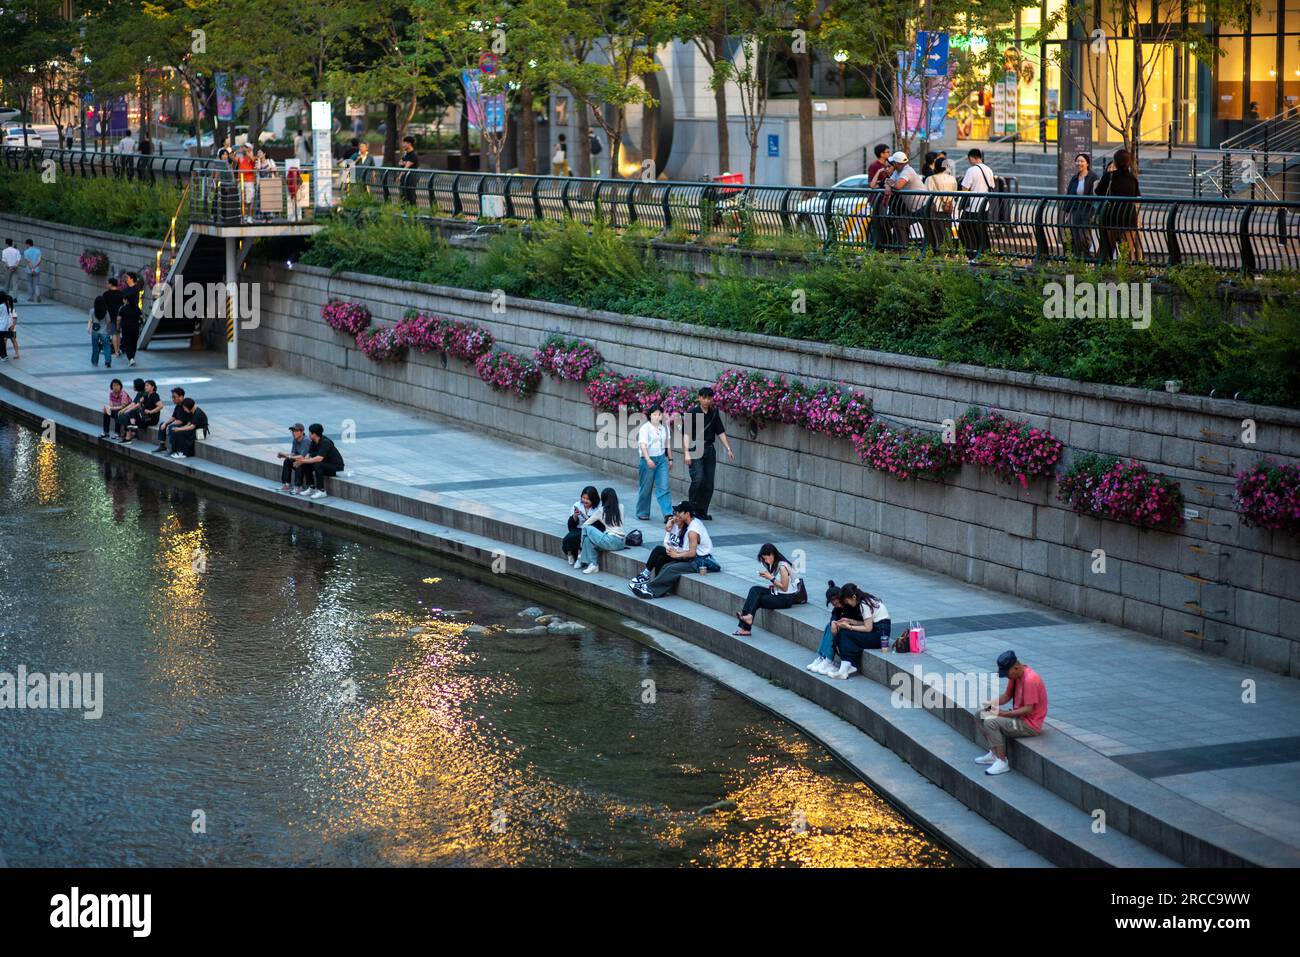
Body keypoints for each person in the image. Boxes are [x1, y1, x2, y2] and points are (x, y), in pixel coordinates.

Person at [975, 650, 1048, 776]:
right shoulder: (1016, 676)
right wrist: (990, 704)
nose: (1007, 677)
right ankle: (994, 754)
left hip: (1029, 725)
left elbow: (1028, 709)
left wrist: (1001, 713)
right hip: (1018, 718)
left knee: (991, 721)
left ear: (1016, 667)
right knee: (980, 714)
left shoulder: (1030, 680)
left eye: (1007, 673)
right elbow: (1006, 696)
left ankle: (1002, 762)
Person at [631, 502, 721, 599]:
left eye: (680, 512)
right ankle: (654, 587)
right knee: (666, 565)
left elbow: (692, 553)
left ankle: (651, 590)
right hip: (695, 558)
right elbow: (676, 519)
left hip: (700, 561)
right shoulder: (693, 521)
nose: (677, 514)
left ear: (687, 514)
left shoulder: (692, 531)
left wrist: (675, 555)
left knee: (671, 568)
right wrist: (671, 520)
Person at [682, 386, 734, 521]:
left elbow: (720, 432)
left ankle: (702, 511)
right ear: (699, 398)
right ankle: (691, 509)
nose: (706, 400)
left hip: (709, 449)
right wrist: (686, 452)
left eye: (709, 398)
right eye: (704, 397)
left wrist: (728, 448)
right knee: (698, 479)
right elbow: (686, 434)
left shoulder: (714, 414)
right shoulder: (692, 413)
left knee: (709, 483)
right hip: (695, 449)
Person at [733, 544, 808, 636]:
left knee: (757, 599)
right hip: (777, 593)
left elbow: (784, 587)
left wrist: (771, 578)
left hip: (785, 599)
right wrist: (768, 575)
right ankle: (748, 618)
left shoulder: (782, 567)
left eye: (766, 558)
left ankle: (746, 626)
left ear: (772, 554)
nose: (765, 561)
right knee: (754, 590)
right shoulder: (774, 564)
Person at [827, 583, 891, 679]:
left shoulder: (863, 604)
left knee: (845, 633)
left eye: (847, 600)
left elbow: (868, 628)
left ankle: (846, 667)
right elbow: (868, 623)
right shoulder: (866, 600)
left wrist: (849, 627)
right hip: (878, 632)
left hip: (879, 637)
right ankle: (846, 666)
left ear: (853, 597)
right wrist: (850, 621)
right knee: (843, 632)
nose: (847, 603)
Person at [1096, 148, 1142, 262]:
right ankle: (1127, 277)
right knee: (1127, 254)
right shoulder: (1133, 178)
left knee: (1106, 251)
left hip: (1111, 217)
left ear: (1115, 162)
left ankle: (1103, 275)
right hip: (1128, 218)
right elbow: (1137, 195)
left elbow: (1099, 192)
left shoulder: (1109, 176)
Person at [636, 404, 674, 522]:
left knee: (664, 486)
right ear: (650, 415)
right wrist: (648, 460)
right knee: (646, 487)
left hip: (661, 459)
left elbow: (667, 444)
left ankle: (668, 513)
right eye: (654, 414)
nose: (657, 417)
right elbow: (643, 445)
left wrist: (670, 459)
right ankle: (643, 512)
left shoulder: (664, 428)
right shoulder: (645, 428)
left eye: (659, 414)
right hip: (647, 460)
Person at [576, 487, 627, 574]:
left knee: (587, 528)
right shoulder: (621, 507)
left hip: (610, 541)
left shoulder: (601, 510)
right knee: (588, 540)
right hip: (621, 543)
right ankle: (593, 565)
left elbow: (586, 524)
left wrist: (583, 515)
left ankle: (581, 553)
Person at [807, 581, 854, 675]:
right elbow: (835, 615)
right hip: (845, 627)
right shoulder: (838, 607)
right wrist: (833, 622)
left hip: (853, 629)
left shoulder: (849, 604)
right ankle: (822, 656)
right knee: (829, 626)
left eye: (836, 601)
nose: (836, 604)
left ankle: (828, 659)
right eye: (833, 603)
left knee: (835, 627)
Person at [958, 148, 996, 262]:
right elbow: (992, 186)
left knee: (964, 230)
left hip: (972, 207)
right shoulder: (989, 169)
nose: (969, 161)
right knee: (982, 231)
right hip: (984, 206)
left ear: (972, 157)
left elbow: (965, 188)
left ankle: (972, 254)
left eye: (969, 159)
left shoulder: (971, 170)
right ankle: (985, 254)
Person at [629, 514, 687, 588]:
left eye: (678, 516)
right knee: (660, 558)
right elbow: (665, 541)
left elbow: (686, 550)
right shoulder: (672, 525)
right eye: (675, 515)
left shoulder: (688, 530)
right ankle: (655, 583)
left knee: (658, 549)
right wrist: (668, 548)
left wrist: (674, 551)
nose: (676, 518)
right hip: (670, 552)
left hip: (679, 556)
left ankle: (645, 574)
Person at [884, 151, 925, 245]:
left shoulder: (907, 171)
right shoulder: (898, 171)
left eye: (893, 163)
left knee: (930, 231)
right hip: (913, 208)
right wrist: (888, 186)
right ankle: (902, 249)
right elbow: (888, 181)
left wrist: (890, 184)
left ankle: (937, 252)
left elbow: (898, 185)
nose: (893, 164)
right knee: (900, 224)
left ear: (897, 164)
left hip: (923, 205)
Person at [1066, 153, 1100, 259]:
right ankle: (1077, 259)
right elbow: (1069, 194)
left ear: (1087, 163)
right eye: (1077, 161)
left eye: (1082, 161)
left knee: (1084, 235)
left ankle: (1086, 257)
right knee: (1075, 234)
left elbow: (1095, 194)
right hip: (1076, 209)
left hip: (1087, 210)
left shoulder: (1093, 177)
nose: (1079, 163)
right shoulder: (1075, 178)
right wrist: (1067, 212)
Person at [298, 423, 345, 499]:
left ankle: (321, 491)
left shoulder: (326, 442)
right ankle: (312, 488)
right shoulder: (314, 441)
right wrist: (302, 461)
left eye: (310, 432)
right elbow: (309, 454)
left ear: (314, 434)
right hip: (325, 464)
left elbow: (319, 458)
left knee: (317, 464)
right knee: (306, 464)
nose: (308, 434)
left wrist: (303, 460)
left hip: (336, 467)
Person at [923, 156, 959, 250]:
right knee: (947, 232)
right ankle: (948, 251)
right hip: (948, 209)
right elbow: (954, 192)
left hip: (934, 210)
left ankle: (937, 251)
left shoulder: (930, 179)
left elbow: (926, 195)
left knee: (935, 233)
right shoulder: (952, 179)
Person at [562, 485, 601, 565]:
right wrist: (575, 516)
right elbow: (571, 526)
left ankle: (580, 557)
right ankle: (570, 554)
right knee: (568, 537)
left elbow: (598, 524)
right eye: (583, 498)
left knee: (580, 536)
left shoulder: (598, 508)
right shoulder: (577, 505)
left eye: (588, 499)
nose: (585, 501)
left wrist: (586, 518)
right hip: (578, 528)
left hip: (591, 529)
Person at [116, 378, 160, 443]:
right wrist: (124, 409)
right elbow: (134, 403)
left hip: (148, 419)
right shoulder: (142, 394)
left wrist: (128, 410)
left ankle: (129, 437)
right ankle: (131, 433)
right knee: (124, 414)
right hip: (144, 417)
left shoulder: (151, 395)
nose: (146, 387)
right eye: (145, 386)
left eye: (147, 386)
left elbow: (138, 405)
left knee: (127, 415)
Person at [154, 386, 187, 452]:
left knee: (171, 427)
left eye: (174, 397)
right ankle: (162, 445)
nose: (173, 399)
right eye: (172, 397)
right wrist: (166, 423)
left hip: (186, 425)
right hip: (179, 423)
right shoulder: (178, 405)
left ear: (181, 397)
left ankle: (173, 449)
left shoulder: (185, 405)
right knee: (162, 424)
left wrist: (169, 425)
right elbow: (174, 417)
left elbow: (181, 421)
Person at [117, 285, 142, 367]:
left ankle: (130, 358)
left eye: (124, 299)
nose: (123, 300)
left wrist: (118, 327)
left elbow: (119, 319)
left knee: (127, 343)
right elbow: (140, 317)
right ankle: (132, 357)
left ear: (127, 300)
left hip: (126, 328)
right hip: (135, 328)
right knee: (133, 343)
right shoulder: (137, 309)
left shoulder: (123, 309)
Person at [88, 294, 113, 367]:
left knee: (95, 347)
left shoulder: (92, 311)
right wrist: (108, 329)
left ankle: (95, 361)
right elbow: (108, 322)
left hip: (95, 331)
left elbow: (90, 320)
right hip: (104, 332)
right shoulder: (105, 312)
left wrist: (88, 328)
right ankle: (107, 362)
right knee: (106, 346)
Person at [236, 144, 257, 221]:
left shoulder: (253, 157)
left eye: (246, 147)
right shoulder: (241, 158)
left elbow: (252, 159)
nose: (244, 148)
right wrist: (235, 150)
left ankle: (250, 217)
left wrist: (247, 151)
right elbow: (233, 158)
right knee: (242, 200)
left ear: (250, 148)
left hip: (249, 182)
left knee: (249, 200)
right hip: (240, 181)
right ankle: (243, 217)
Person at [400, 136, 419, 205]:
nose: (403, 145)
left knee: (411, 195)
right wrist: (405, 162)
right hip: (404, 177)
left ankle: (413, 211)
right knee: (403, 194)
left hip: (411, 178)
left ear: (409, 144)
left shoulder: (413, 155)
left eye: (404, 143)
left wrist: (399, 176)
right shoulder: (406, 154)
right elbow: (400, 163)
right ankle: (405, 211)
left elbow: (406, 167)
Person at [0, 293, 14, 361]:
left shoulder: (1, 306)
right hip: (4, 327)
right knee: (1, 341)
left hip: (1, 327)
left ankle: (4, 356)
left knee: (1, 342)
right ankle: (3, 355)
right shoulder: (5, 305)